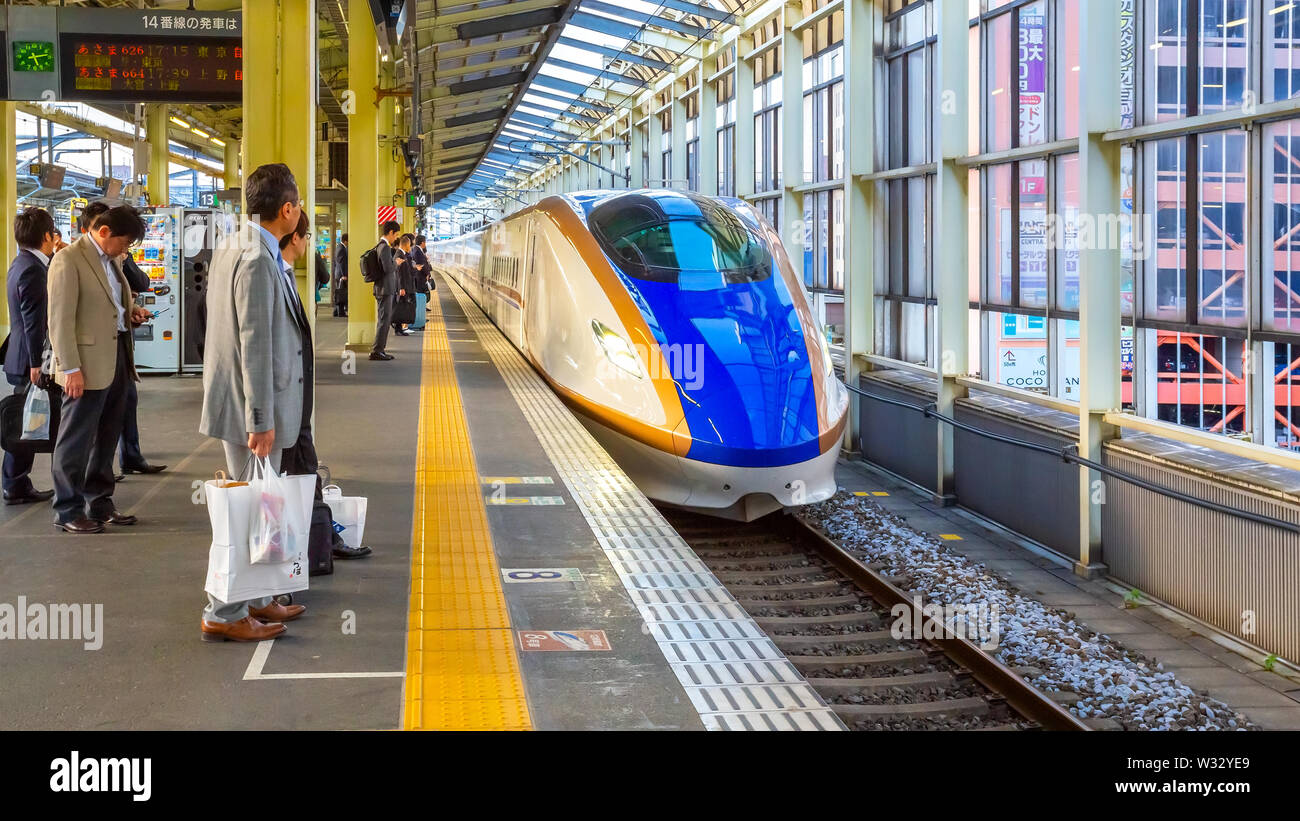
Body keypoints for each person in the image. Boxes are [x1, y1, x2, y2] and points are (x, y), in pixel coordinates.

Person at [198, 162, 309, 641]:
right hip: (252, 410)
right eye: (298, 205)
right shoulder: (260, 259)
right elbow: (254, 342)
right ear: (286, 210)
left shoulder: (234, 243)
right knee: (245, 512)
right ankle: (223, 614)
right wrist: (261, 419)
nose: (299, 212)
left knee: (261, 505)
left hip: (240, 401)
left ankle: (260, 598)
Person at [46, 205, 150, 533]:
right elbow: (59, 320)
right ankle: (67, 509)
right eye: (125, 241)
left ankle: (101, 502)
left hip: (117, 353)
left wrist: (129, 313)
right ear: (103, 232)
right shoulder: (69, 260)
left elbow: (111, 303)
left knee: (108, 434)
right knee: (76, 438)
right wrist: (70, 367)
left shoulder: (112, 261)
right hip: (85, 364)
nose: (126, 248)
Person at [277, 215, 372, 563]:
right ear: (294, 236)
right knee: (284, 477)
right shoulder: (266, 271)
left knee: (306, 466)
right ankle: (284, 558)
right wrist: (259, 417)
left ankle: (320, 538)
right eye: (308, 236)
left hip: (293, 402)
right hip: (279, 404)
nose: (310, 243)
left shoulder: (282, 272)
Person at [2, 208, 57, 505]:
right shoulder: (35, 270)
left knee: (25, 419)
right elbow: (34, 320)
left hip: (18, 355)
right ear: (47, 236)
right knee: (26, 422)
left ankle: (15, 482)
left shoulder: (20, 263)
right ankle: (14, 484)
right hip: (28, 359)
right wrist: (37, 363)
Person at [369, 220, 402, 361]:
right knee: (384, 319)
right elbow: (388, 268)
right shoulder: (385, 248)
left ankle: (379, 349)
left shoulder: (379, 246)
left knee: (383, 319)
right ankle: (377, 351)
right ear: (390, 233)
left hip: (382, 289)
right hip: (385, 289)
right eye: (396, 235)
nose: (396, 238)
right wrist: (396, 262)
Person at [391, 233, 415, 337]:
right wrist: (401, 288)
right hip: (402, 287)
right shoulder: (399, 255)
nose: (410, 247)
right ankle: (397, 329)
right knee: (400, 307)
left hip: (405, 286)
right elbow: (398, 273)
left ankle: (400, 328)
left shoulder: (402, 254)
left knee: (402, 307)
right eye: (409, 244)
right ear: (405, 244)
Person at [332, 233, 348, 317]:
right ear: (345, 241)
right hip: (341, 275)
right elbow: (341, 263)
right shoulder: (341, 249)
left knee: (339, 292)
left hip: (338, 274)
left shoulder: (339, 247)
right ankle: (340, 312)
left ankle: (336, 311)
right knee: (341, 293)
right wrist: (344, 275)